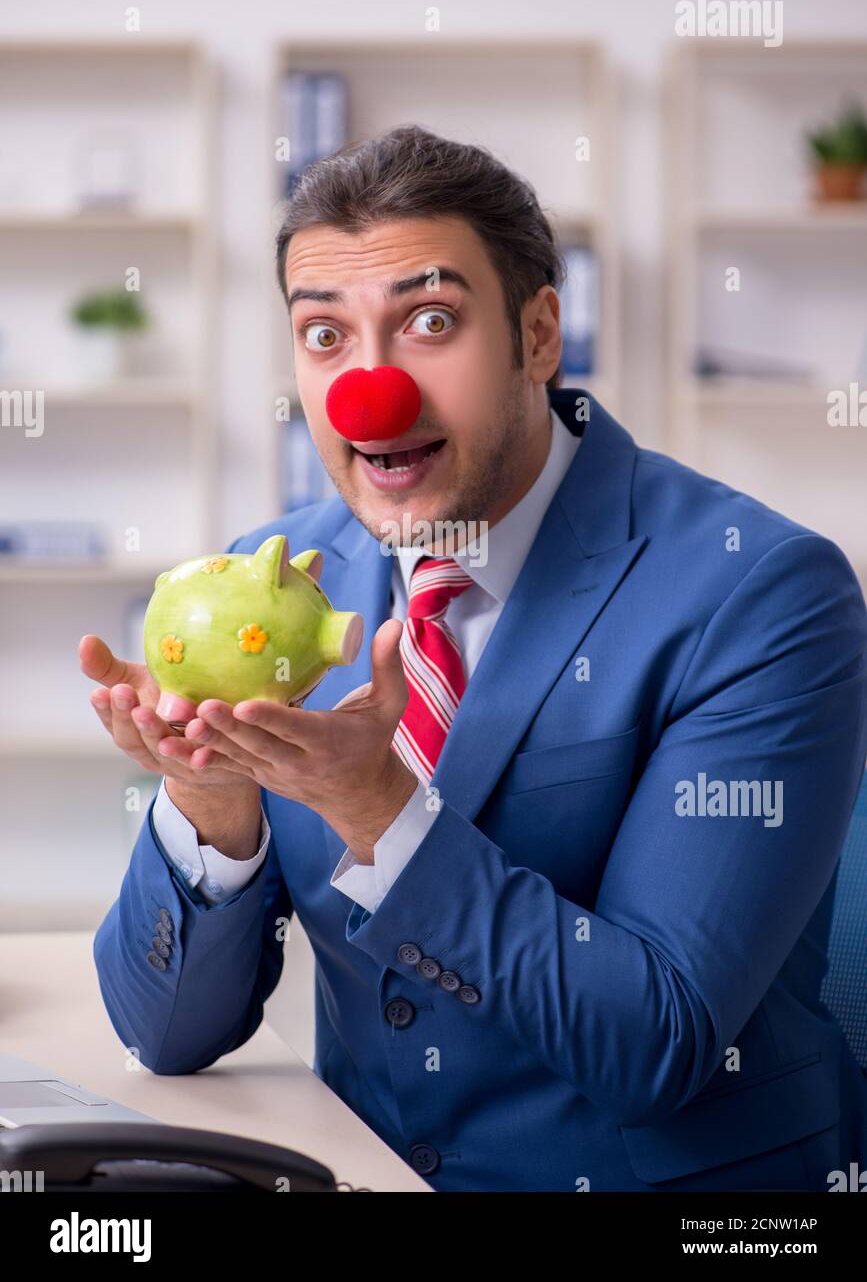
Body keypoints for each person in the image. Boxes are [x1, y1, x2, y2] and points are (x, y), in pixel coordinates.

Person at [84, 125, 867, 1192]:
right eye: (325, 336)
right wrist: (206, 798)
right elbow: (164, 1036)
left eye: (431, 321)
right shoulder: (280, 585)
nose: (372, 390)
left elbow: (662, 1041)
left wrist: (380, 813)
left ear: (539, 333)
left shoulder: (761, 592)